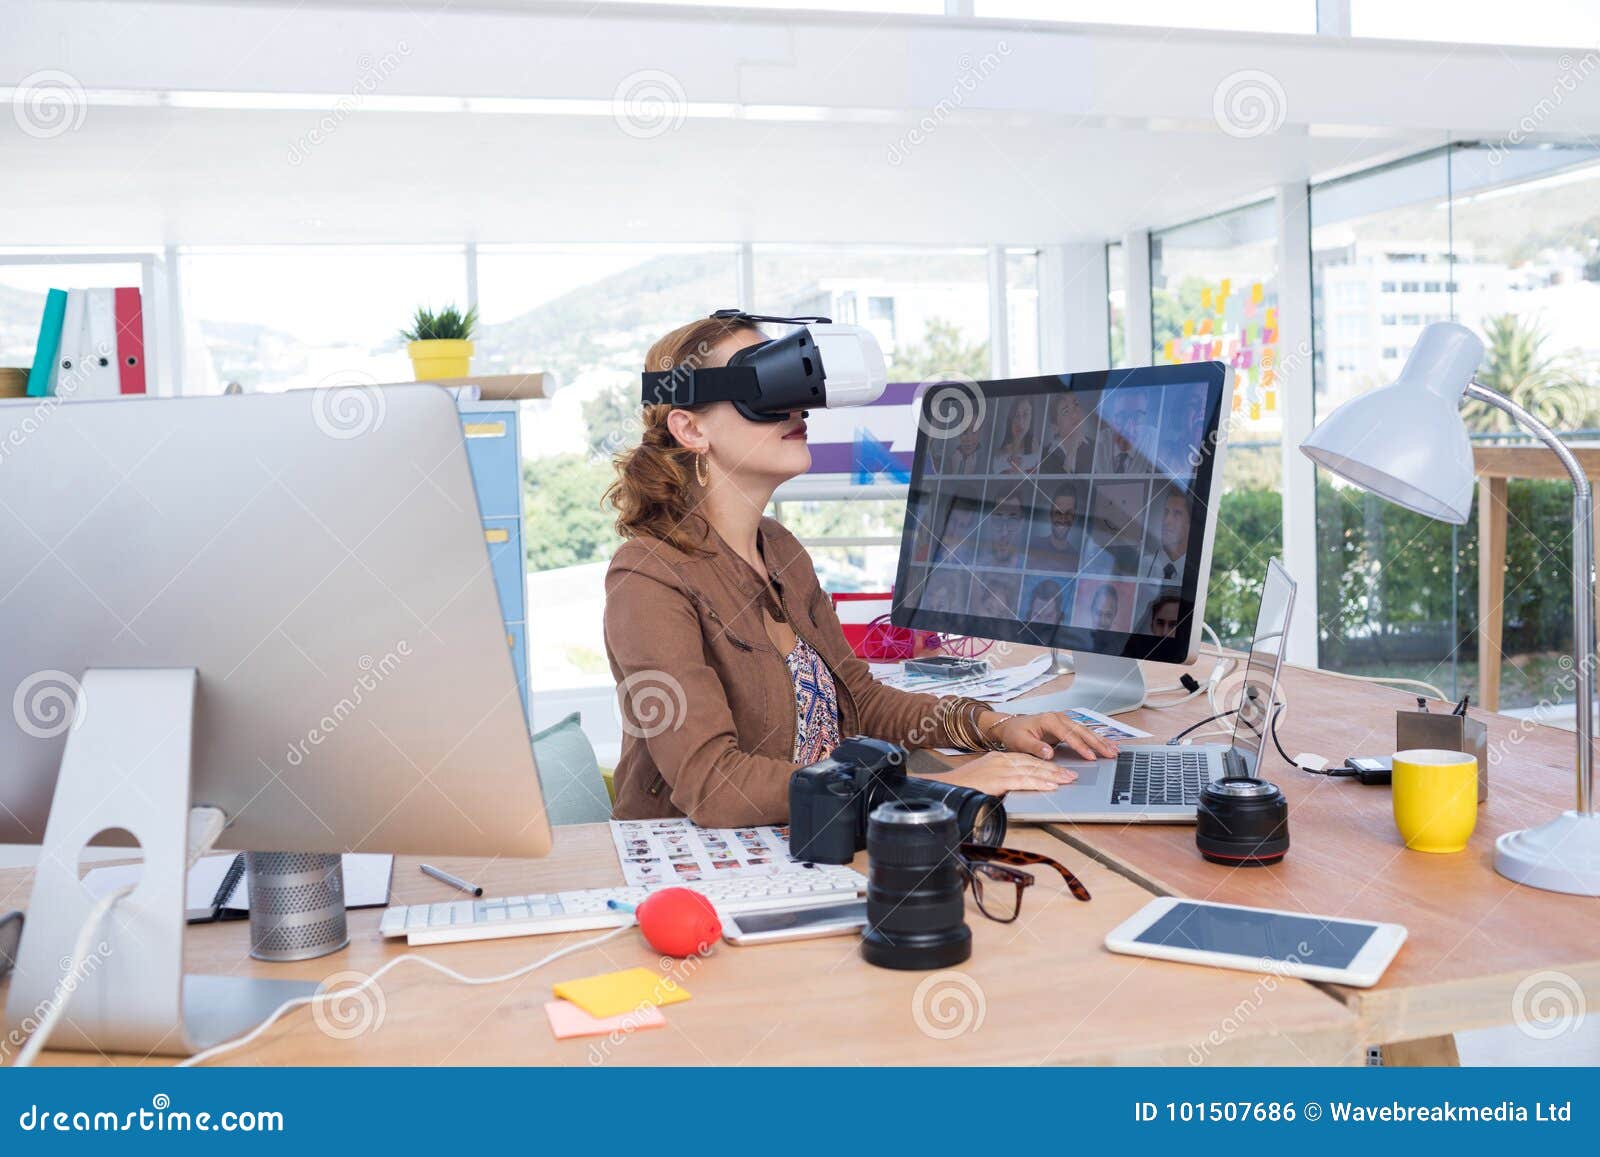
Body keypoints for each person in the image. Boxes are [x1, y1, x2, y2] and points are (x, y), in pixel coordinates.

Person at [603, 315, 1117, 827]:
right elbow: (715, 787)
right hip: (706, 872)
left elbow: (862, 701)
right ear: (690, 429)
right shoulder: (647, 579)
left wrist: (997, 726)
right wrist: (932, 789)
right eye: (761, 389)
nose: (796, 408)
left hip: (813, 838)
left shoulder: (779, 549)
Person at [1038, 393, 1097, 475]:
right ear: (1055, 427)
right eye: (1066, 411)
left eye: (1076, 405)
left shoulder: (1096, 448)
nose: (1074, 414)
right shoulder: (1043, 456)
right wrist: (1072, 450)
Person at [1028, 483, 1081, 572]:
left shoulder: (1076, 559)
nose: (1062, 519)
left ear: (1074, 517)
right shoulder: (1033, 545)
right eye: (1058, 512)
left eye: (1068, 513)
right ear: (1051, 514)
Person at [1142, 488, 1190, 582]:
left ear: (1190, 523)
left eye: (1177, 514)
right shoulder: (1143, 566)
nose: (1166, 521)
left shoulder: (1198, 572)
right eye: (1166, 512)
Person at [994, 397, 1039, 474]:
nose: (1020, 422)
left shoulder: (1037, 452)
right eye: (1016, 415)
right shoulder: (999, 457)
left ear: (1031, 417)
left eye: (1025, 415)